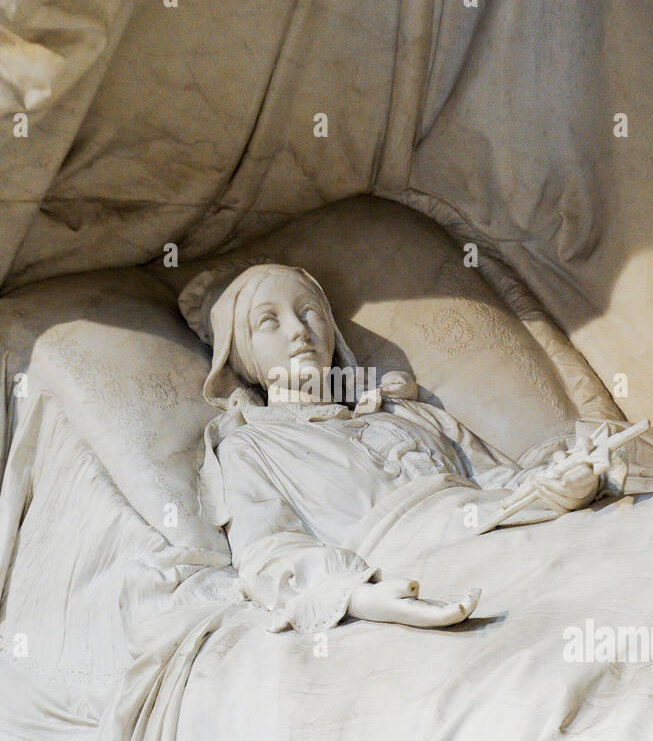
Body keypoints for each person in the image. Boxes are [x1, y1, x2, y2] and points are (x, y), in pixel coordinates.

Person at [179, 259, 606, 634]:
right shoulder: (251, 448)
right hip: (424, 569)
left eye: (309, 312)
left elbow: (500, 480)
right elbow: (269, 554)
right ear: (240, 356)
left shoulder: (405, 412)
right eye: (268, 321)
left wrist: (560, 484)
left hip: (507, 532)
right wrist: (360, 597)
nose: (298, 332)